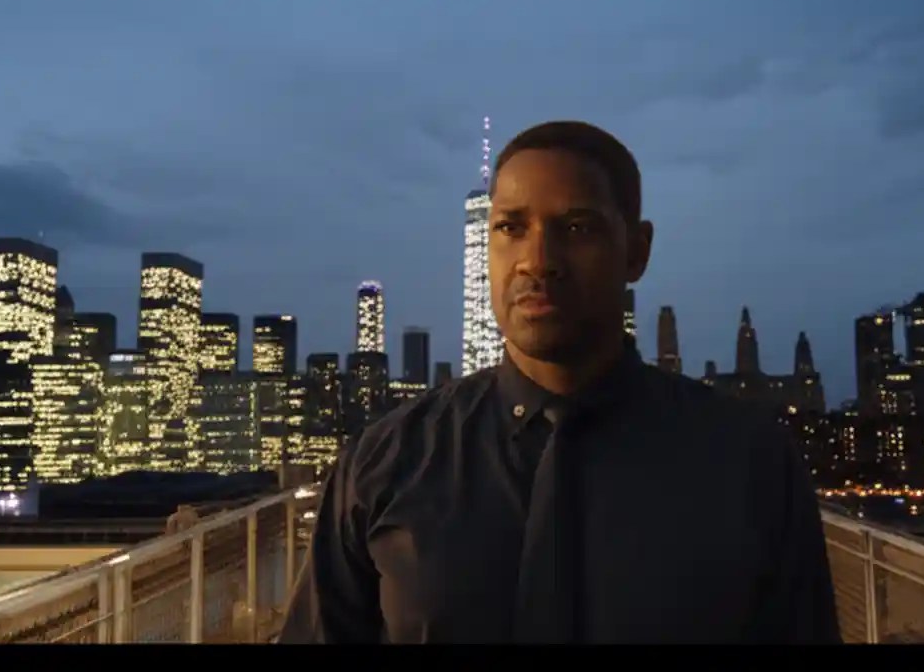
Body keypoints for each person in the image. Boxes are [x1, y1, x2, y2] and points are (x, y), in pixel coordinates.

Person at [277, 120, 840, 644]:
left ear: (637, 251)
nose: (537, 260)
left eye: (576, 227)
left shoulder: (750, 461)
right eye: (510, 228)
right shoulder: (385, 463)